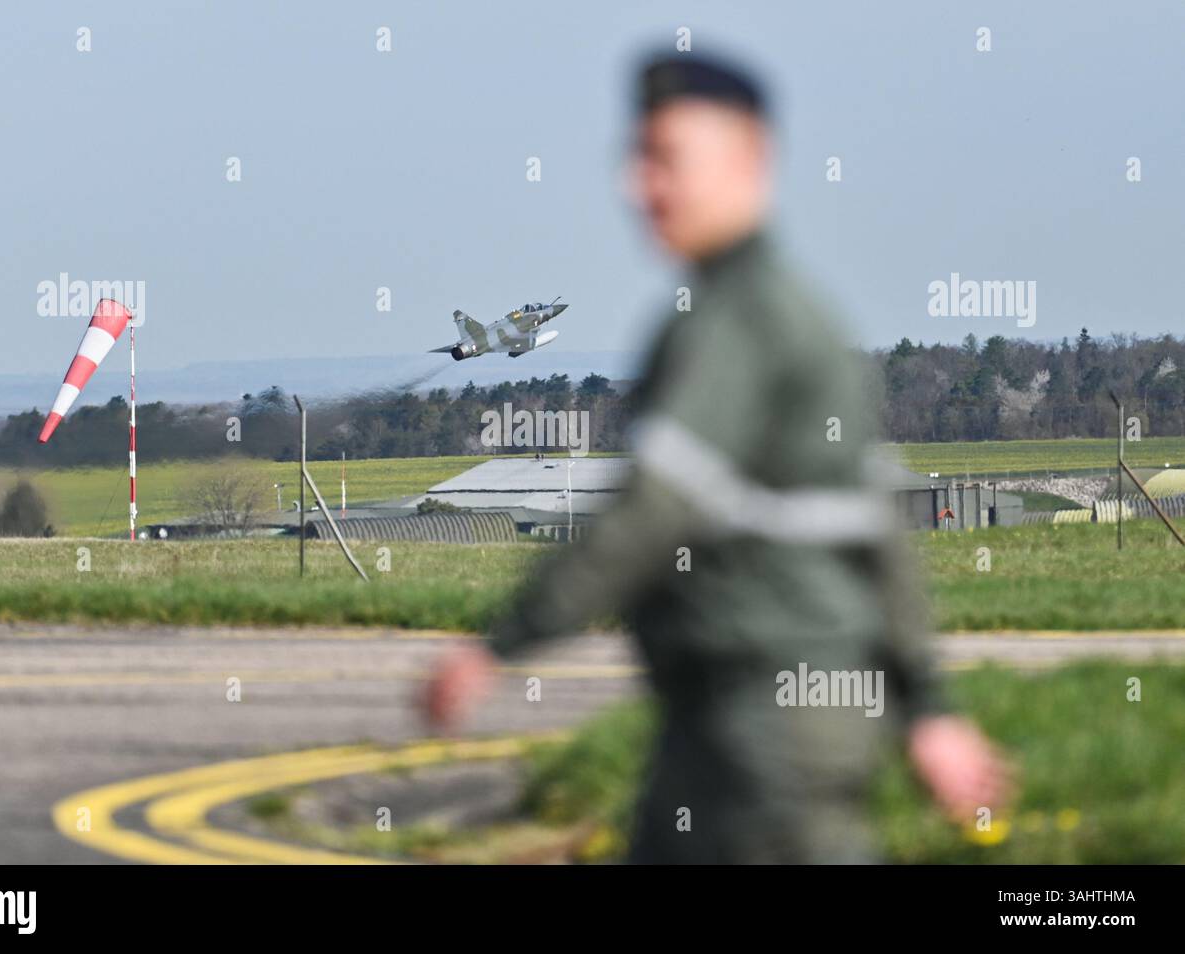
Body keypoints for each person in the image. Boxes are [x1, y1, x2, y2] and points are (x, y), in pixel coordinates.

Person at [424, 52, 1009, 862]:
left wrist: (503, 642)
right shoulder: (800, 313)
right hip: (740, 724)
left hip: (761, 729)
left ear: (748, 161)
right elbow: (875, 530)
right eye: (636, 159)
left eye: (665, 159)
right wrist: (930, 706)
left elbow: (655, 507)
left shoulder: (731, 319)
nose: (638, 186)